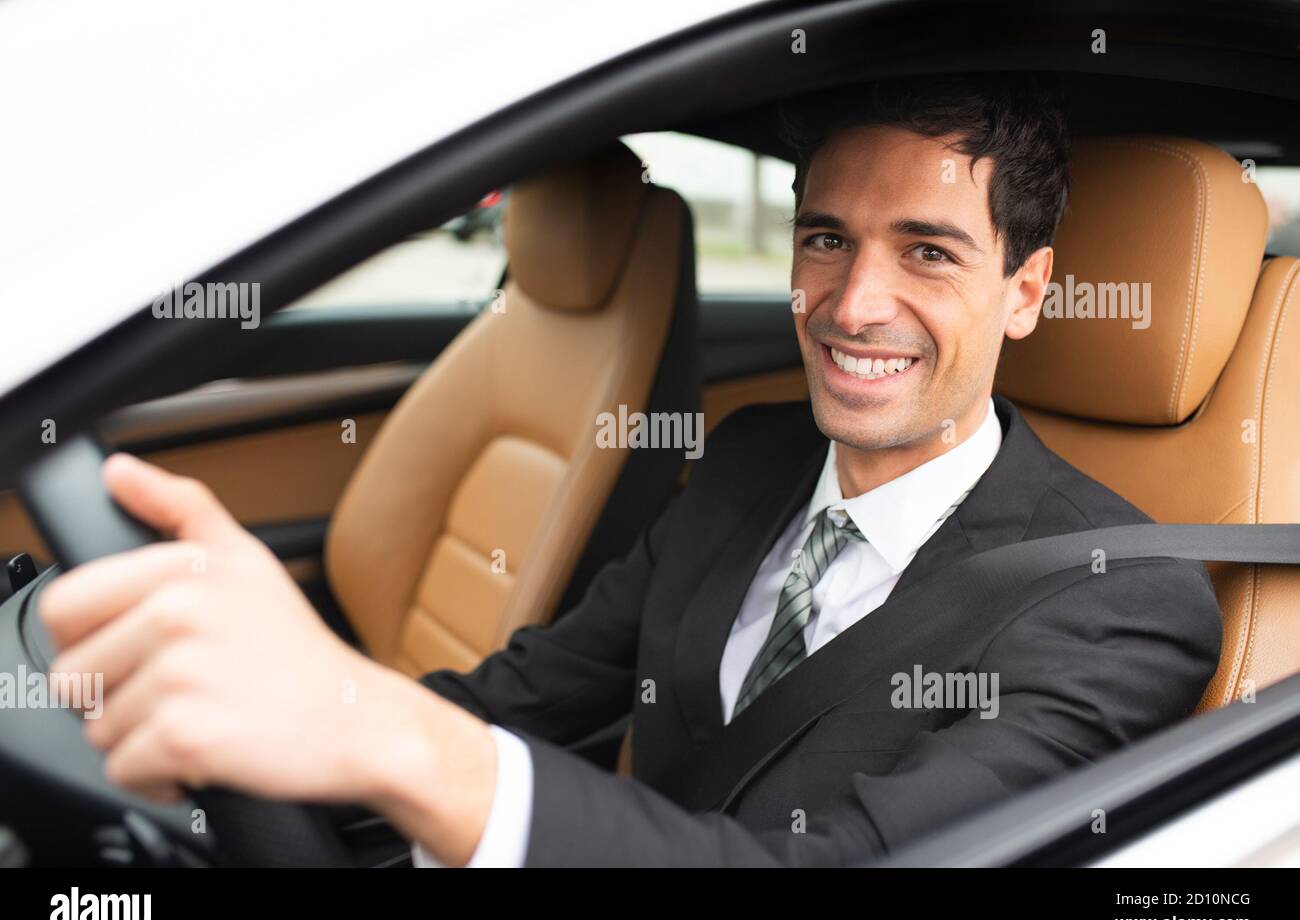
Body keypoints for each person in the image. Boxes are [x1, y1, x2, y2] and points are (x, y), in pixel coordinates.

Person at [39, 75, 1222, 866]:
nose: (854, 305)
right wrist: (261, 731)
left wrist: (396, 752)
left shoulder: (1117, 601)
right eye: (825, 240)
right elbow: (532, 697)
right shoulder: (754, 457)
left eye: (928, 251)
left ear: (1025, 293)